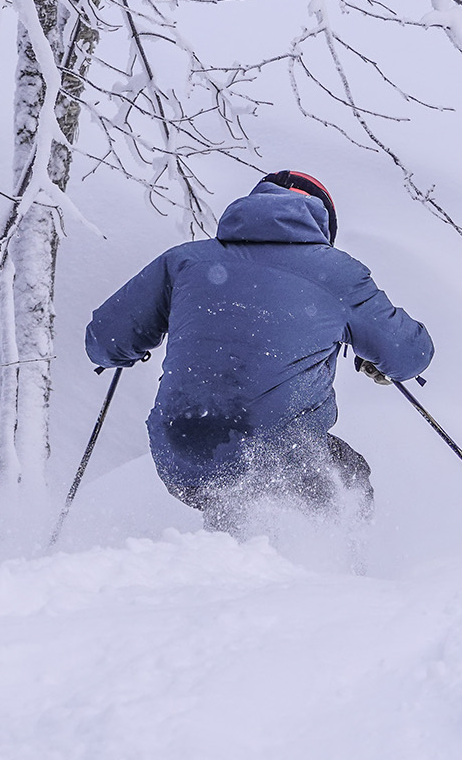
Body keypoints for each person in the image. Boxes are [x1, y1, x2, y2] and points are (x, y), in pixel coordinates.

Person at [84, 170, 433, 535]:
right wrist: (374, 357)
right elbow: (409, 355)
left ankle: (231, 565)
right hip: (281, 452)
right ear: (321, 221)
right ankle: (341, 580)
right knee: (346, 478)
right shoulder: (336, 273)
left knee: (231, 495)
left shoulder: (185, 261)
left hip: (181, 450)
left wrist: (128, 349)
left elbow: (104, 341)